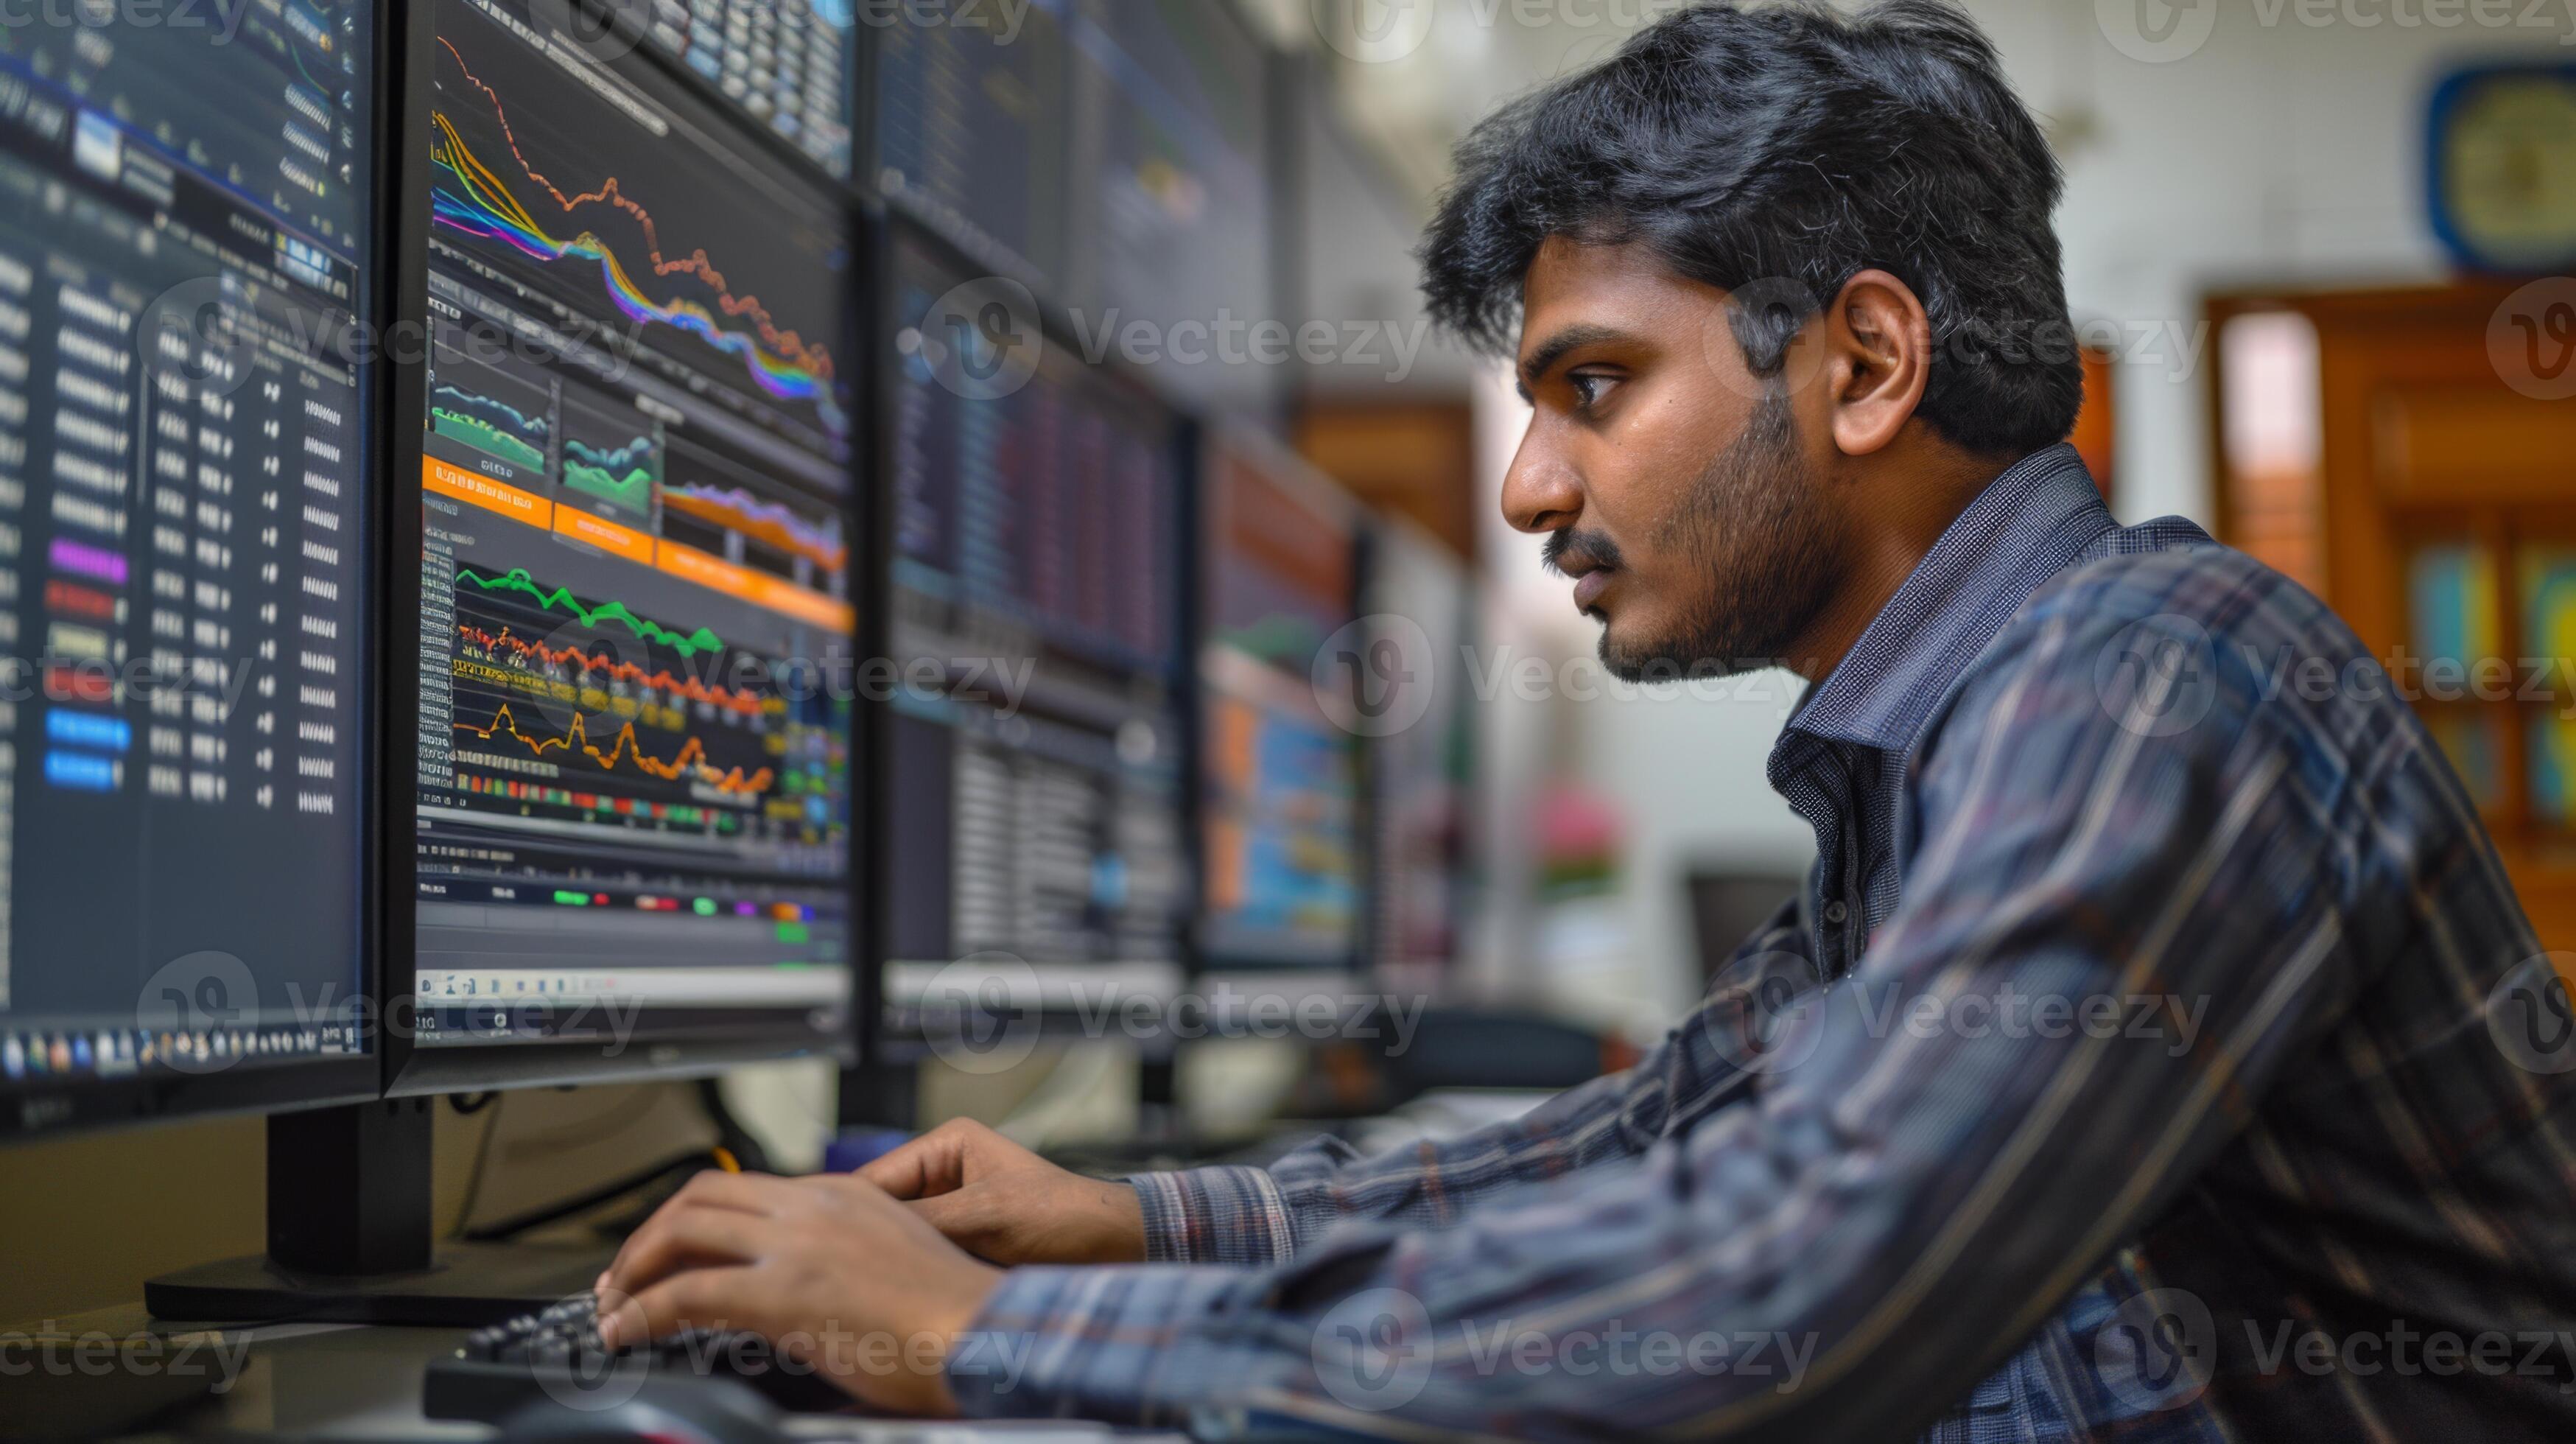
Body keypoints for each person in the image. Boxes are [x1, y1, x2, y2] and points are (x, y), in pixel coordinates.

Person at [594, 2, 2576, 1437]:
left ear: (1865, 362)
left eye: (1593, 385)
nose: (1529, 487)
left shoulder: (2155, 677)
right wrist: (1119, 1219)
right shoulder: (1943, 742)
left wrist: (982, 1345)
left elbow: (1785, 1291)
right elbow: (1649, 1146)